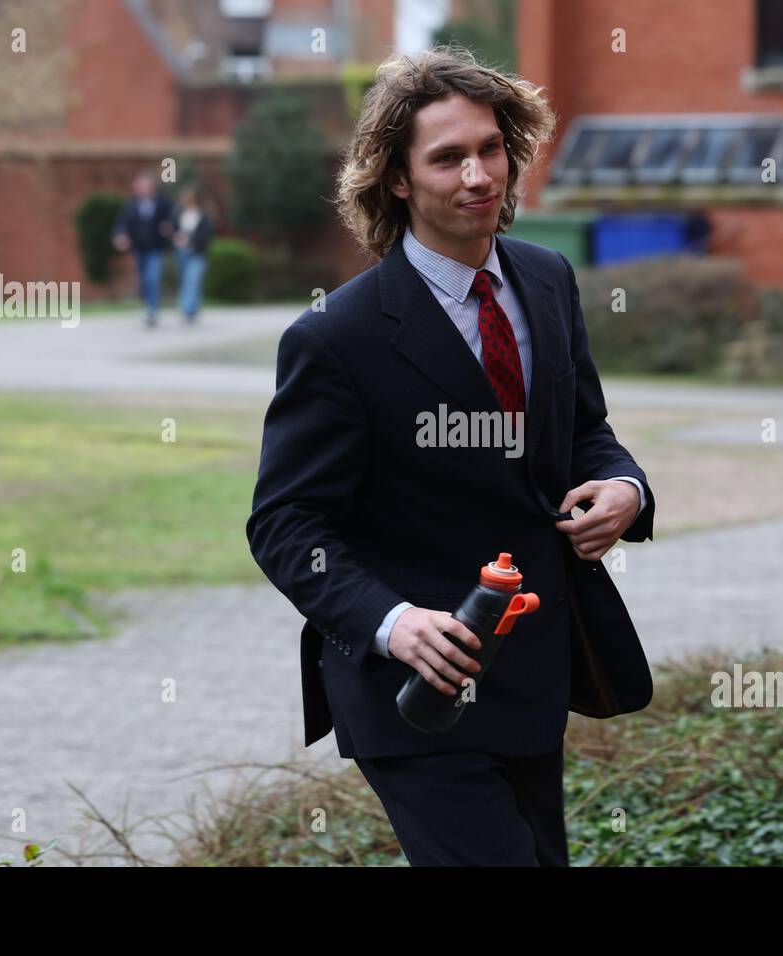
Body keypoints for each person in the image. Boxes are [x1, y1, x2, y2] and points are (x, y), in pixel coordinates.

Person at [245, 46, 656, 867]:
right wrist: (394, 626)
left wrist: (624, 486)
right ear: (396, 179)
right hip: (411, 694)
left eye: (491, 148)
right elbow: (286, 524)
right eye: (447, 158)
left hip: (537, 676)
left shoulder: (546, 279)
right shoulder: (337, 339)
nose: (478, 175)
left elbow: (584, 431)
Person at [112, 171, 174, 328]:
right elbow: (122, 224)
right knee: (143, 280)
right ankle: (149, 306)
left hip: (155, 248)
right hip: (139, 249)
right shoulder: (132, 205)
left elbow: (172, 220)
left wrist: (169, 228)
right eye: (138, 186)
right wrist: (121, 236)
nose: (141, 189)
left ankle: (152, 308)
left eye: (144, 185)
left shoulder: (162, 203)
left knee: (153, 278)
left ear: (152, 187)